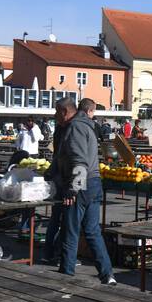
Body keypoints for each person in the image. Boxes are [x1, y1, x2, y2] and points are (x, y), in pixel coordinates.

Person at [54, 98, 116, 284]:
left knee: (70, 230)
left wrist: (72, 190)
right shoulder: (87, 125)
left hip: (81, 184)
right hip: (94, 182)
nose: (55, 116)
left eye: (56, 112)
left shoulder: (75, 128)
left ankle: (66, 275)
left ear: (65, 111)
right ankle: (107, 274)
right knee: (92, 231)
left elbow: (79, 161)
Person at [43, 97, 77, 263]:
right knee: (65, 221)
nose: (55, 115)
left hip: (60, 177)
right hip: (64, 179)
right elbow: (73, 159)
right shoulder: (65, 129)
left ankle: (50, 252)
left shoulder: (64, 128)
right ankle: (58, 254)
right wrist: (73, 186)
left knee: (57, 219)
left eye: (57, 111)